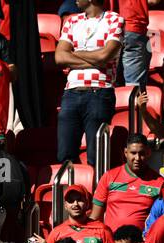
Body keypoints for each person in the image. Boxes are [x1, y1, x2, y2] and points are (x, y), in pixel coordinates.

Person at [55, 0, 124, 168]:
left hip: (99, 91)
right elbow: (59, 57)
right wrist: (96, 59)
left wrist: (75, 55)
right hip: (71, 92)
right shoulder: (71, 21)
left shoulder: (114, 19)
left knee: (96, 155)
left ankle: (96, 191)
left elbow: (106, 56)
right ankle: (69, 192)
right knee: (64, 154)